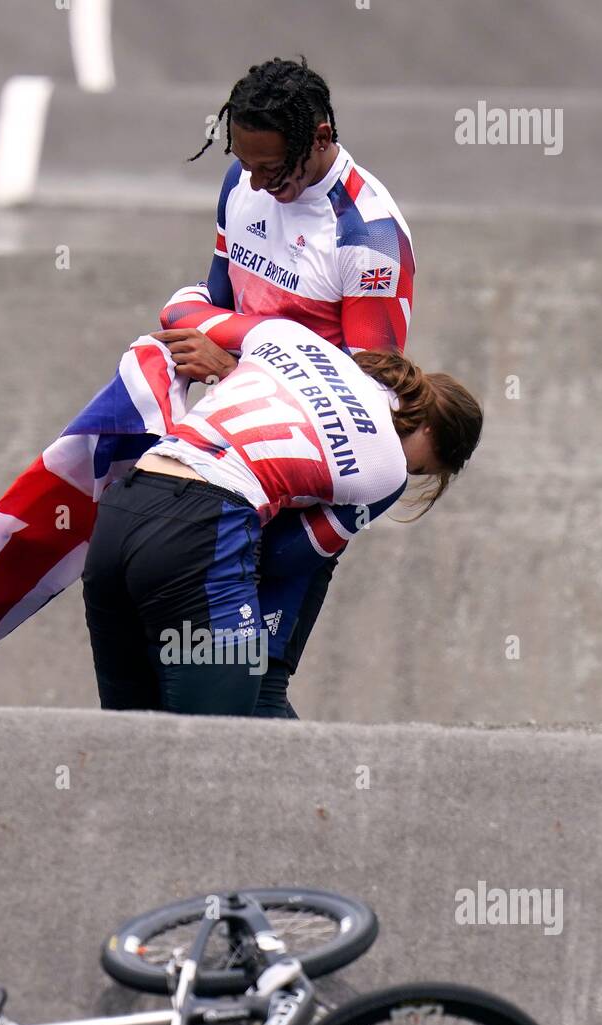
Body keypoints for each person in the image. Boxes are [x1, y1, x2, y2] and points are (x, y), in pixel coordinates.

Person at [149, 55, 417, 717]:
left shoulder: (368, 239)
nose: (257, 183)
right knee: (191, 681)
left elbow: (370, 398)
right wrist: (207, 334)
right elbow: (201, 308)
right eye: (244, 162)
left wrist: (229, 356)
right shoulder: (242, 183)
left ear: (320, 138)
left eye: (273, 168)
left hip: (299, 487)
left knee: (254, 688)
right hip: (223, 469)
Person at [82, 318, 481, 717]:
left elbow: (185, 311)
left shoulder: (291, 336)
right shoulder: (389, 469)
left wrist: (225, 365)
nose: (411, 473)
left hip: (124, 509)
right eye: (423, 469)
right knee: (229, 739)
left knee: (130, 748)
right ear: (428, 430)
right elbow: (283, 557)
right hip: (202, 529)